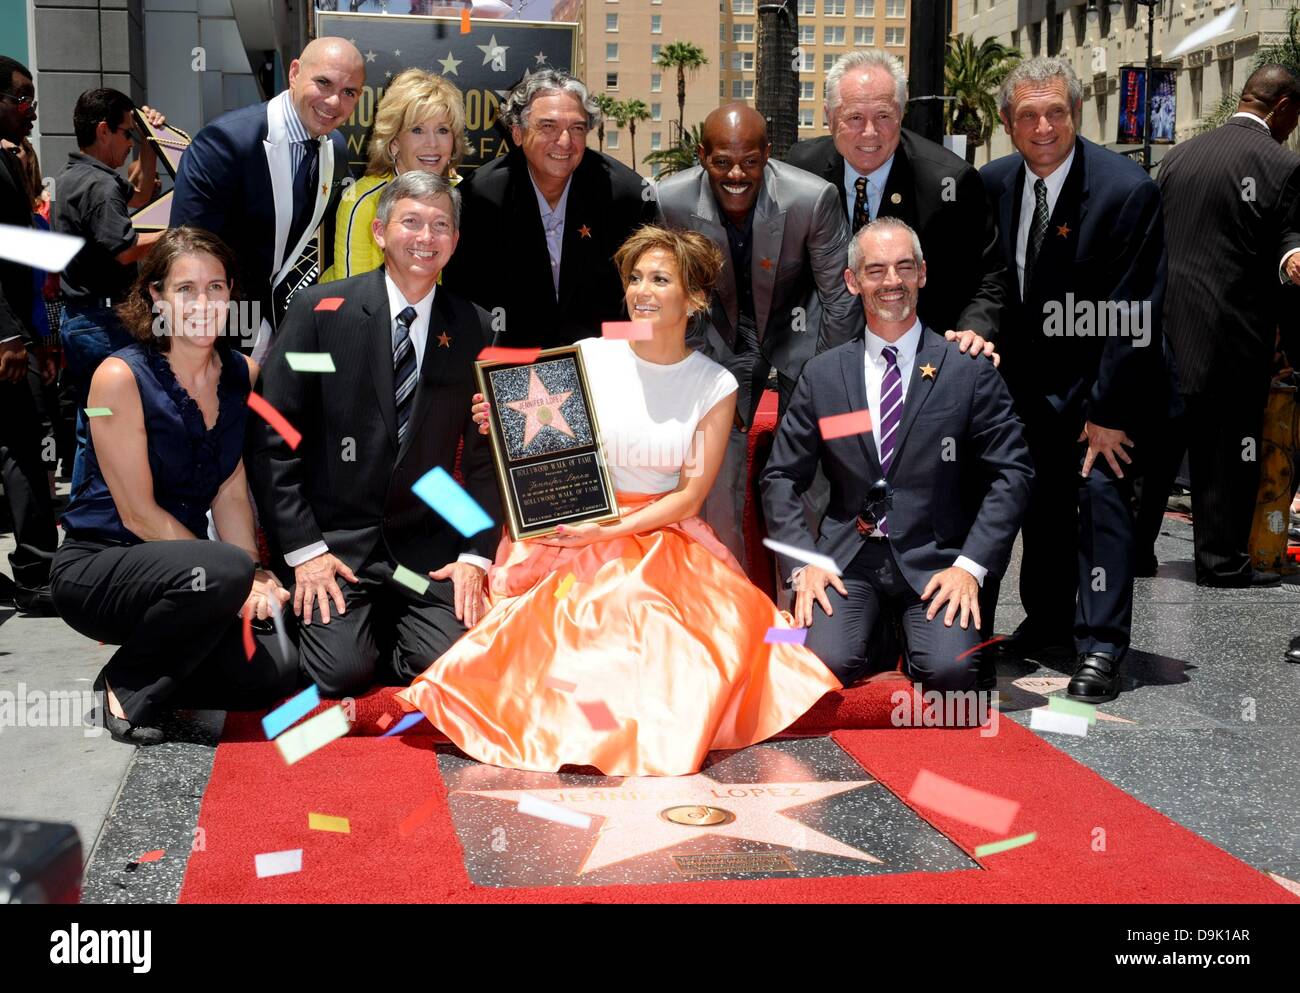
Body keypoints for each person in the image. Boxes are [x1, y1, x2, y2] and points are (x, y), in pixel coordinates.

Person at [396, 225, 840, 777]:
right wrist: (504, 426)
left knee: (655, 611)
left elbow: (688, 497)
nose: (642, 291)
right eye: (635, 278)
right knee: (589, 615)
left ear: (695, 298)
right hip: (569, 527)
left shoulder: (715, 384)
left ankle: (643, 739)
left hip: (662, 533)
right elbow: (549, 451)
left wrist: (606, 532)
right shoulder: (589, 355)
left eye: (660, 279)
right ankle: (586, 730)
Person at [247, 171, 501, 697]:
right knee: (343, 674)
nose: (425, 238)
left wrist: (475, 557)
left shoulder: (476, 325)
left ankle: (384, 625)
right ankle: (351, 630)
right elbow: (273, 441)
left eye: (440, 226)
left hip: (419, 558)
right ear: (380, 231)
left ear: (455, 242)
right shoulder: (320, 311)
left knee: (452, 665)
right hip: (336, 550)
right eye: (411, 222)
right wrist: (304, 551)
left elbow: (482, 458)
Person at [49, 227, 300, 745]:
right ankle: (123, 686)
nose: (203, 302)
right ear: (156, 297)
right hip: (100, 567)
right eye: (185, 289)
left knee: (272, 673)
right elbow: (138, 514)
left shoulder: (242, 373)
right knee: (226, 569)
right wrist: (237, 576)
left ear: (232, 294)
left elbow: (230, 486)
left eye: (216, 287)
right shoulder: (117, 376)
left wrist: (251, 571)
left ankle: (163, 677)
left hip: (190, 575)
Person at [761, 218, 1032, 694]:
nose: (891, 282)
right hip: (847, 559)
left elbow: (1012, 473)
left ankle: (906, 636)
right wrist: (804, 566)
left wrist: (970, 567)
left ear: (923, 273)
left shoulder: (967, 368)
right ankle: (882, 636)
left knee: (950, 677)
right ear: (852, 281)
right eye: (876, 270)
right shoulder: (823, 374)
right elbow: (781, 475)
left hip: (937, 560)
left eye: (904, 267)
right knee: (822, 669)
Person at [981, 57, 1167, 703]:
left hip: (1104, 381)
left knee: (1100, 505)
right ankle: (1048, 621)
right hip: (1022, 386)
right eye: (1027, 114)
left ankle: (1101, 648)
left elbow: (1134, 310)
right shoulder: (991, 184)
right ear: (1008, 122)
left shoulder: (1126, 189)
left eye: (1055, 111)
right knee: (1039, 509)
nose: (1042, 126)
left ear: (1076, 114)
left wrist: (1108, 410)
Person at [655, 102, 858, 567]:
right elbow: (671, 297)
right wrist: (696, 374)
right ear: (702, 155)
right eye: (722, 161)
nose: (736, 174)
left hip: (797, 340)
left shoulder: (812, 198)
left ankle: (800, 606)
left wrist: (822, 381)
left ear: (768, 153)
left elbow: (840, 301)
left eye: (750, 160)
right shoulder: (671, 200)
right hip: (715, 341)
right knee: (713, 482)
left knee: (804, 478)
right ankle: (726, 603)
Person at [1154, 64, 1300, 589]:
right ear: (1281, 107)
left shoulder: (1178, 157)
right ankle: (1221, 562)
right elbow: (1288, 255)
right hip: (1231, 341)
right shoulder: (1283, 166)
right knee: (1226, 458)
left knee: (1156, 454)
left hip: (1165, 335)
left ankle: (1132, 551)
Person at [784, 50, 1008, 349]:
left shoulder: (949, 183)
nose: (869, 133)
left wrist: (974, 329)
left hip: (918, 358)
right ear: (829, 116)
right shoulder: (800, 170)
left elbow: (988, 275)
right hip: (820, 355)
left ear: (901, 114)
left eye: (883, 116)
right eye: (854, 117)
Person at [170, 37, 364, 360]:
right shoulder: (226, 143)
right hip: (217, 335)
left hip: (279, 333)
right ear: (294, 73)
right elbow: (184, 255)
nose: (334, 102)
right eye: (323, 83)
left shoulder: (336, 148)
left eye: (349, 92)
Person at [441, 69, 658, 349]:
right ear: (518, 133)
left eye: (577, 128)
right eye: (548, 127)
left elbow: (645, 309)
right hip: (511, 361)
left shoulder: (627, 197)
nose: (565, 142)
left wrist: (608, 355)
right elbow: (465, 307)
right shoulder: (478, 200)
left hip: (604, 361)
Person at [55, 88, 168, 494]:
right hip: (104, 322)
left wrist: (149, 146)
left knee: (96, 419)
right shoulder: (99, 187)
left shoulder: (77, 177)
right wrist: (179, 233)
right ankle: (96, 515)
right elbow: (124, 250)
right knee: (111, 422)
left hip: (84, 319)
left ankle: (87, 518)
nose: (129, 144)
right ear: (104, 131)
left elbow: (138, 194)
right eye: (126, 134)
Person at [0, 55, 59, 616]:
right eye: (20, 97)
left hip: (20, 331)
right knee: (24, 449)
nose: (31, 107)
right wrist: (8, 337)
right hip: (7, 341)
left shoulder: (5, 163)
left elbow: (21, 250)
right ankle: (37, 573)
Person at [324, 69, 467, 282]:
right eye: (417, 130)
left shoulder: (459, 195)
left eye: (443, 130)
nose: (433, 144)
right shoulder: (363, 201)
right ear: (394, 142)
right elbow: (352, 301)